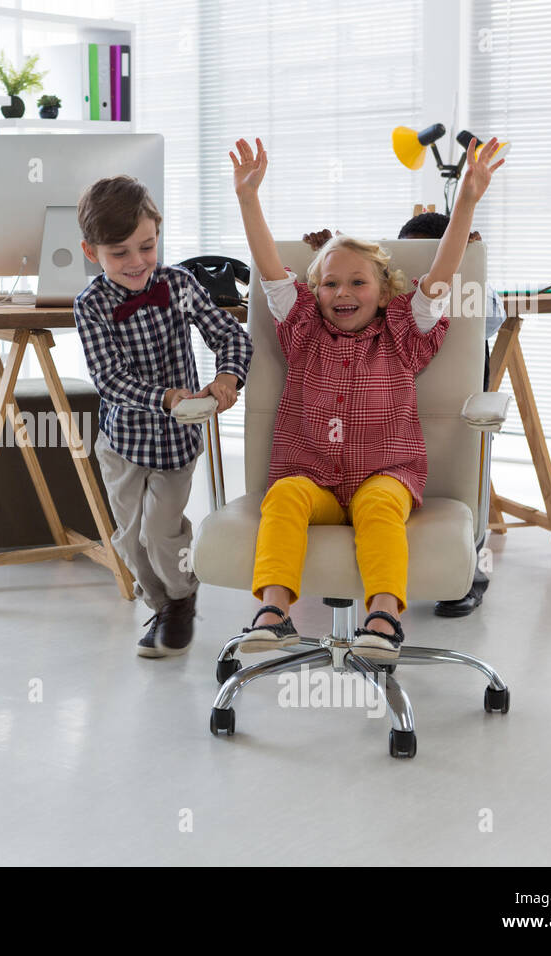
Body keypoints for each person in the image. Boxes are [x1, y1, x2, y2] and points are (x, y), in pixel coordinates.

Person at [229, 135, 504, 659]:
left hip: (385, 474)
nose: (344, 293)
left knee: (380, 507)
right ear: (314, 292)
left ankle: (382, 618)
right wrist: (248, 198)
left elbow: (443, 276)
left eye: (358, 282)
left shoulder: (405, 330)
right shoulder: (301, 327)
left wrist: (466, 199)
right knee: (282, 495)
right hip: (313, 478)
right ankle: (274, 612)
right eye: (330, 284)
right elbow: (268, 271)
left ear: (384, 288)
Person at [73, 175, 254, 658]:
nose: (136, 262)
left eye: (146, 246)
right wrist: (167, 397)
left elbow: (231, 336)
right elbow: (109, 380)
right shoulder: (90, 306)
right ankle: (164, 605)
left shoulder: (179, 284)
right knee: (130, 542)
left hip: (175, 443)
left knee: (161, 532)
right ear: (92, 253)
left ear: (158, 235)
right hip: (122, 442)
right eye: (119, 253)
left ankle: (181, 596)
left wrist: (227, 377)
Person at [397, 212, 505, 616]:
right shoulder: (392, 285)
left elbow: (492, 316)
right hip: (395, 405)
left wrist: (471, 265)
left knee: (461, 488)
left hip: (456, 409)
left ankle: (467, 579)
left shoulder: (472, 287)